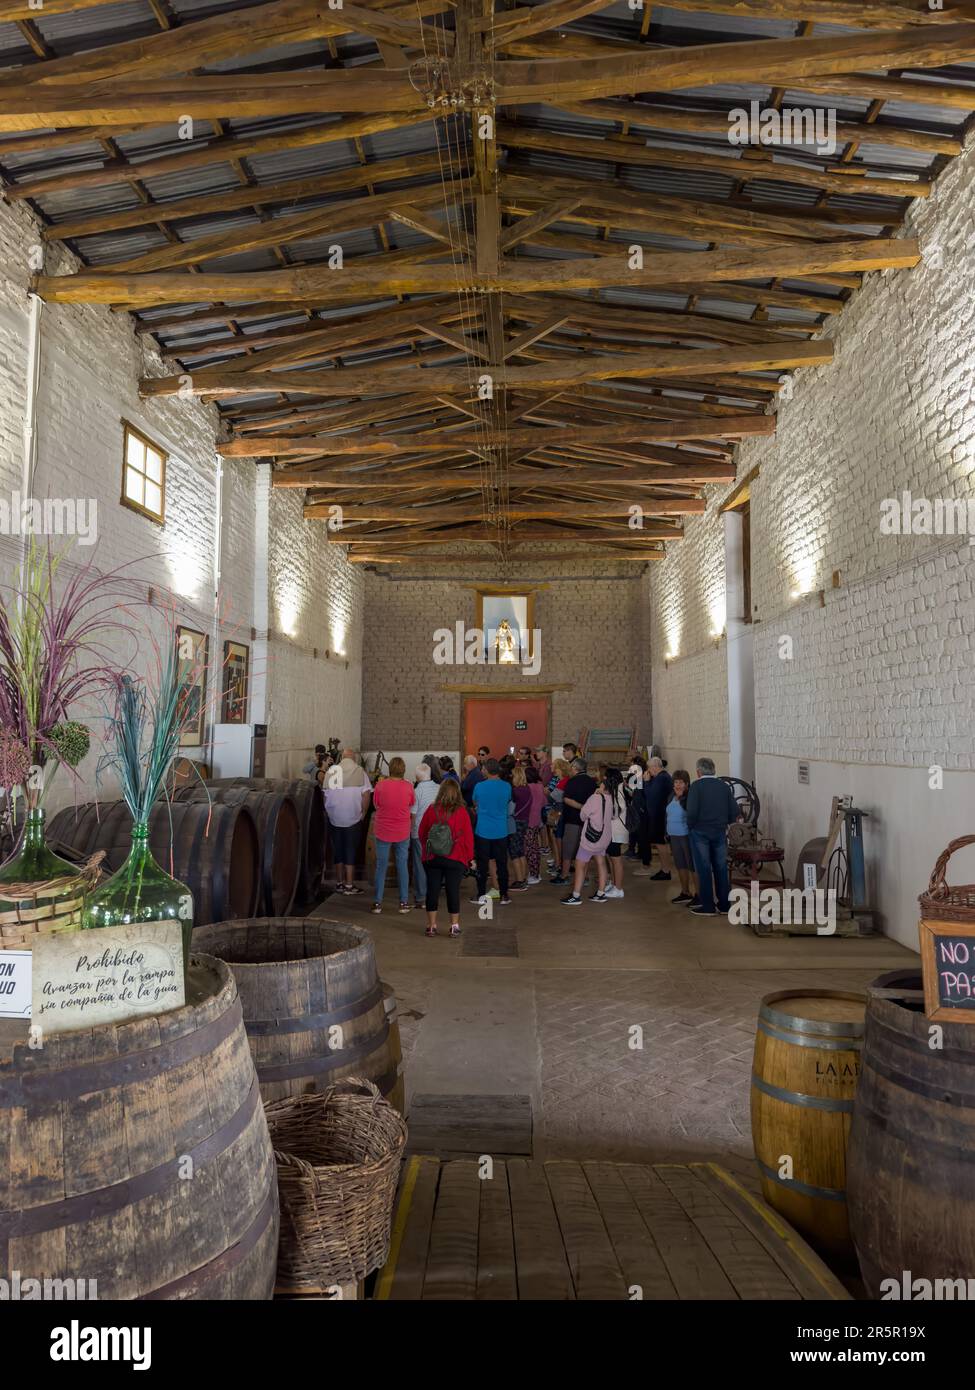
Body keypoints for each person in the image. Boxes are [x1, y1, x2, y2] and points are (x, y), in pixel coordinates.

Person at [418, 777, 475, 938]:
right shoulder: (462, 812)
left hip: (433, 857)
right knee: (452, 891)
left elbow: (422, 833)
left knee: (433, 890)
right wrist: (470, 858)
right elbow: (468, 838)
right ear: (457, 793)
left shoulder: (431, 809)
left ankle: (431, 926)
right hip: (455, 857)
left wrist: (428, 849)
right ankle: (454, 926)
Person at [686, 757, 740, 916]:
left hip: (700, 832)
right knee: (721, 868)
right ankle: (724, 905)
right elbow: (734, 812)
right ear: (714, 769)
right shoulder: (723, 786)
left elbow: (692, 811)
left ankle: (708, 905)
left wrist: (691, 826)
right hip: (719, 832)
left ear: (698, 771)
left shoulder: (696, 786)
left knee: (703, 869)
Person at [371, 757, 415, 914]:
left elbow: (376, 804)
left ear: (390, 770)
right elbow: (411, 804)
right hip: (402, 830)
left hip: (383, 830)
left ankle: (377, 903)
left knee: (381, 866)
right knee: (402, 866)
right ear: (403, 770)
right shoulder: (409, 787)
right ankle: (403, 903)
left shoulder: (380, 786)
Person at [561, 770, 612, 905]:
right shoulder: (610, 798)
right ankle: (601, 893)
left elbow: (582, 815)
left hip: (591, 837)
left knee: (580, 864)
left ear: (603, 785)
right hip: (604, 837)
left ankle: (576, 895)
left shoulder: (595, 798)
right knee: (601, 862)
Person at [323, 768, 371, 895]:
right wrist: (364, 813)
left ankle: (339, 884)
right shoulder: (359, 772)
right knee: (350, 850)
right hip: (352, 819)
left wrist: (330, 813)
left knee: (338, 851)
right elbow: (366, 794)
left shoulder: (332, 772)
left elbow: (325, 795)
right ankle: (349, 885)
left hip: (335, 819)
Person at [471, 758, 512, 906]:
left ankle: (481, 895)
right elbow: (507, 801)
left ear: (487, 770)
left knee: (482, 865)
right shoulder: (506, 786)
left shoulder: (479, 786)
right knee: (502, 864)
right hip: (501, 830)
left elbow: (475, 803)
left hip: (483, 830)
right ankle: (504, 895)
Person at [558, 757, 597, 885]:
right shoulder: (592, 782)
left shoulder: (572, 781)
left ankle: (564, 876)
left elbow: (567, 799)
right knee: (583, 850)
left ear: (575, 768)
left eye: (571, 767)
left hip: (572, 820)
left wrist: (581, 808)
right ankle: (584, 878)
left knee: (568, 850)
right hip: (588, 821)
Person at [634, 757, 673, 879]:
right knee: (658, 842)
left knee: (660, 843)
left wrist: (646, 781)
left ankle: (666, 870)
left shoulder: (661, 778)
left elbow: (650, 795)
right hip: (657, 814)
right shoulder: (661, 777)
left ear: (655, 766)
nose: (648, 771)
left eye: (649, 768)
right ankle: (664, 869)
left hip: (659, 815)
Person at [666, 769, 698, 906]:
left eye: (681, 782)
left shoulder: (690, 796)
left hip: (686, 835)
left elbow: (691, 814)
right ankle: (685, 892)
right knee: (680, 865)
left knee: (692, 866)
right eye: (676, 782)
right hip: (674, 836)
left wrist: (682, 798)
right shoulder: (671, 796)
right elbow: (667, 815)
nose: (678, 785)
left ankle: (699, 894)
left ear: (687, 784)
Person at [410, 763, 440, 909]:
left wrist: (411, 831)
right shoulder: (439, 788)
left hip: (420, 833)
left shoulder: (417, 791)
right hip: (437, 832)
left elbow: (413, 815)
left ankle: (421, 896)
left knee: (419, 864)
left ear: (417, 777)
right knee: (434, 864)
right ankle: (433, 894)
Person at [603, 766, 629, 899]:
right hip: (611, 831)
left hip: (616, 832)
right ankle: (614, 883)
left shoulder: (618, 792)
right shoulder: (614, 790)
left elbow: (615, 812)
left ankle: (619, 888)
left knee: (616, 860)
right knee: (610, 858)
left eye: (605, 777)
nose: (603, 779)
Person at [546, 757, 572, 882]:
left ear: (559, 769)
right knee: (556, 837)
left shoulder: (563, 782)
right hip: (559, 810)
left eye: (553, 766)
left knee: (558, 838)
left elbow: (552, 797)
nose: (551, 768)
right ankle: (559, 863)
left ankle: (560, 864)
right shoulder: (561, 780)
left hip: (559, 811)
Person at [508, 765, 532, 891]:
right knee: (521, 851)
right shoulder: (527, 789)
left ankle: (519, 880)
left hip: (515, 822)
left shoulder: (515, 791)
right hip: (525, 821)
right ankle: (524, 878)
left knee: (514, 852)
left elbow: (510, 809)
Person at [525, 765, 547, 885]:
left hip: (528, 820)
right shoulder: (539, 786)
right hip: (537, 820)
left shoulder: (528, 787)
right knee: (534, 847)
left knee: (529, 849)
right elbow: (544, 802)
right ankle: (535, 872)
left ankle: (534, 874)